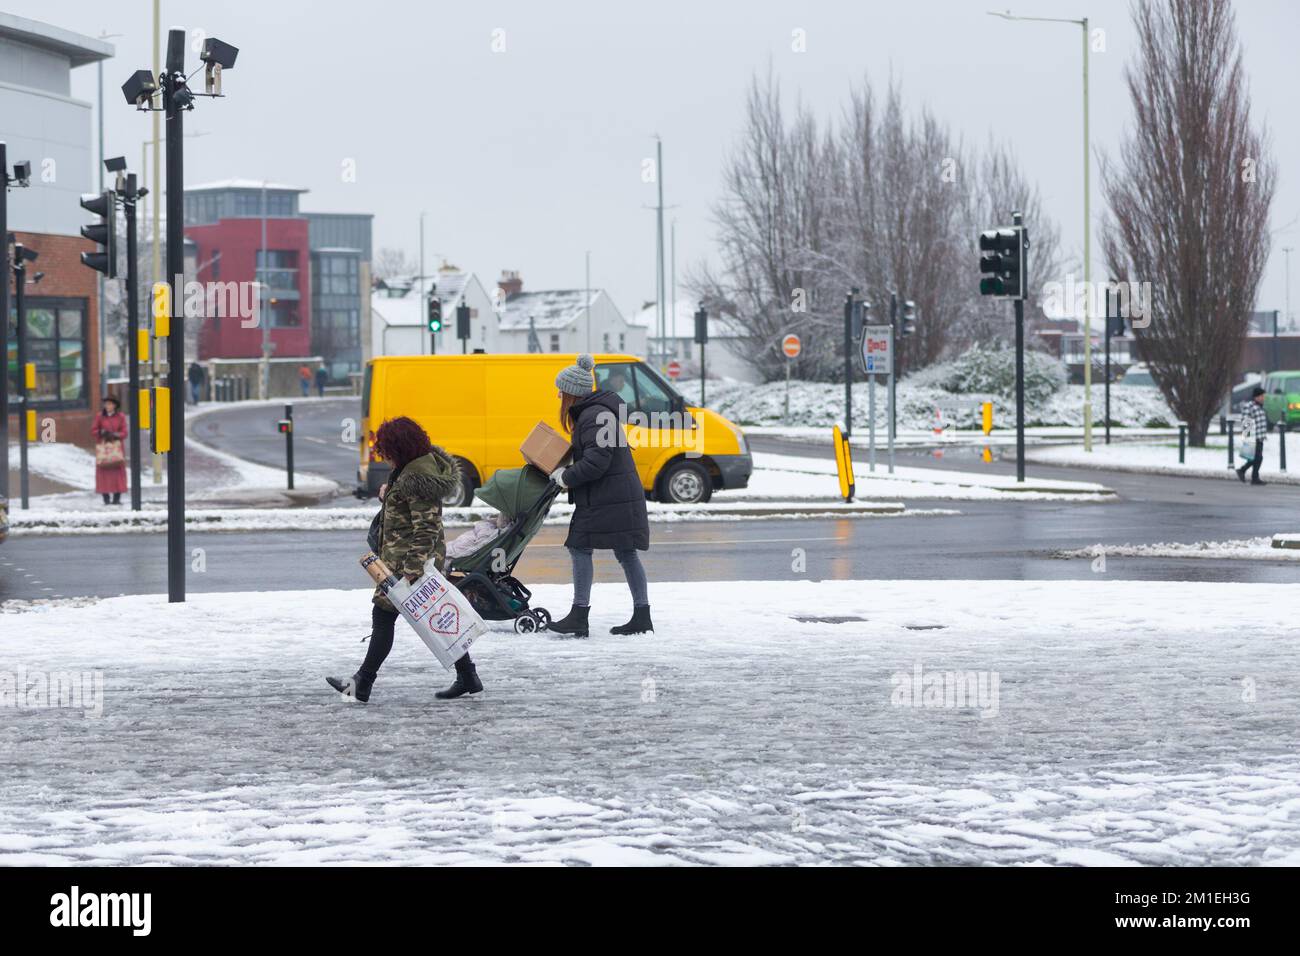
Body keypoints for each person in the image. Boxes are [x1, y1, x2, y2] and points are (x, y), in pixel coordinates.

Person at [327, 416, 478, 702]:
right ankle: (468, 676)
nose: (386, 458)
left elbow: (427, 526)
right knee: (435, 617)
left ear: (400, 447)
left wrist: (412, 569)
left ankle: (363, 683)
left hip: (409, 562)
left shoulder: (417, 479)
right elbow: (411, 510)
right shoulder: (413, 469)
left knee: (383, 616)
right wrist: (390, 496)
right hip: (406, 558)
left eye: (387, 451)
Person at [546, 353, 653, 638]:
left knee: (580, 546)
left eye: (561, 391)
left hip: (609, 498)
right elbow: (597, 456)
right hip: (616, 495)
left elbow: (597, 462)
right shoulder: (595, 414)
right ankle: (642, 616)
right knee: (626, 552)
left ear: (572, 393)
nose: (559, 396)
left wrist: (565, 476)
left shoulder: (593, 416)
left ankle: (579, 616)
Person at [93, 395, 129, 506]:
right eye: (106, 404)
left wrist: (115, 434)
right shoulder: (100, 416)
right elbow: (94, 430)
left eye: (110, 404)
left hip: (116, 450)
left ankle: (117, 497)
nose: (107, 406)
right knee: (103, 472)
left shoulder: (120, 417)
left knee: (118, 472)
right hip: (104, 449)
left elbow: (124, 432)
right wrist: (101, 433)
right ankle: (106, 498)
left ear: (115, 405)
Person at [1236, 385, 1269, 486]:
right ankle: (1251, 476)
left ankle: (1247, 473)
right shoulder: (1249, 406)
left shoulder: (1259, 407)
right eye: (1262, 396)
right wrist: (1248, 437)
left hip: (1260, 436)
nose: (1264, 398)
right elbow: (1245, 421)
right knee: (1256, 458)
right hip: (1253, 437)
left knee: (1256, 458)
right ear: (1257, 397)